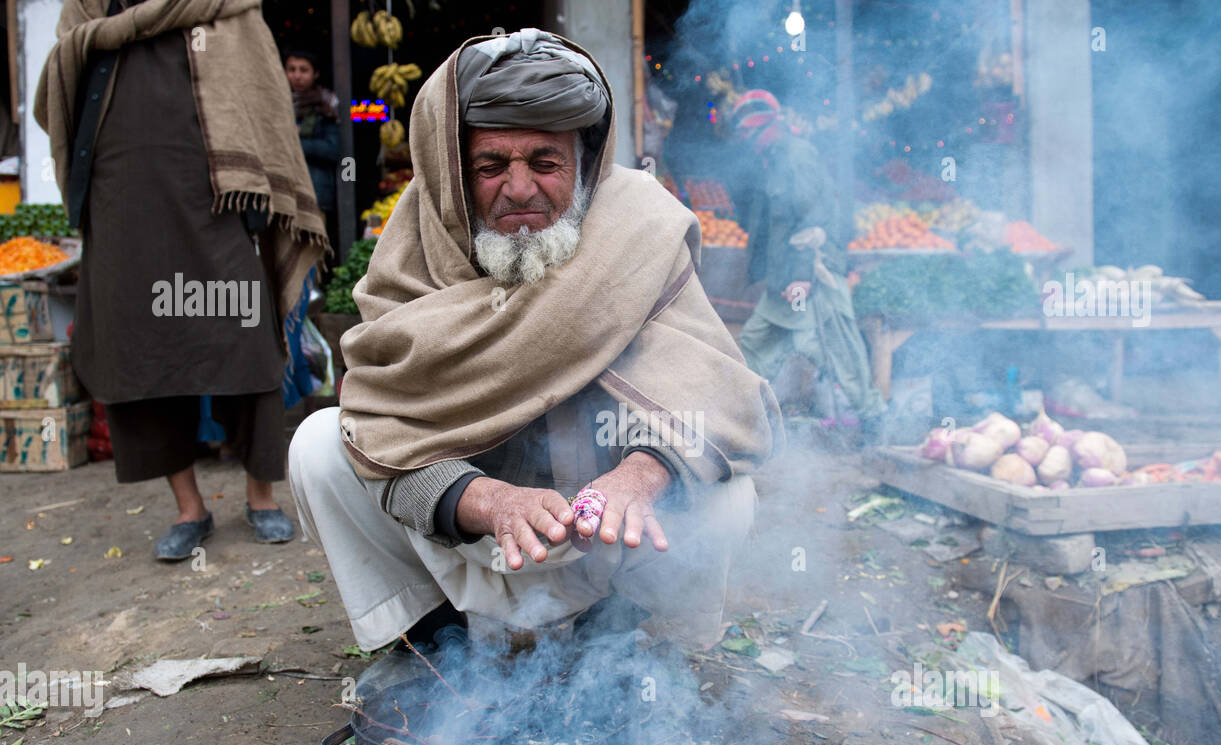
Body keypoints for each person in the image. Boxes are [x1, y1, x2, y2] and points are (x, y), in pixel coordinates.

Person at [288, 29, 781, 657]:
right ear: (453, 172)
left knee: (726, 490)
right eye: (491, 166)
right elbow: (380, 420)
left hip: (604, 530)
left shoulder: (640, 225)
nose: (519, 189)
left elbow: (718, 393)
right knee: (319, 445)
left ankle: (614, 647)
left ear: (585, 161)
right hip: (471, 531)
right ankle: (434, 649)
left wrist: (638, 476)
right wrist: (486, 499)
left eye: (545, 164)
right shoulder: (417, 239)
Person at [35, 0, 328, 560]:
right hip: (121, 196)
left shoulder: (229, 9)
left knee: (247, 343)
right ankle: (189, 508)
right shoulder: (90, 10)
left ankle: (262, 498)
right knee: (140, 350)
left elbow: (263, 102)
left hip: (216, 200)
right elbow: (57, 87)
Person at [729, 90, 885, 433]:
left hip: (813, 273)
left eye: (748, 134)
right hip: (782, 278)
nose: (746, 143)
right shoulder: (771, 159)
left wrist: (802, 277)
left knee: (840, 350)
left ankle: (873, 420)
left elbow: (812, 220)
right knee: (755, 344)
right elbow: (767, 221)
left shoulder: (798, 158)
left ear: (767, 128)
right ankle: (747, 421)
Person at [284, 48, 340, 255]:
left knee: (310, 252)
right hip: (283, 192)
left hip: (315, 190)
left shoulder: (326, 105)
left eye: (303, 70)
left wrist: (292, 140)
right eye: (291, 69)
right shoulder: (276, 104)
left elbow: (333, 150)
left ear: (315, 73)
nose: (297, 75)